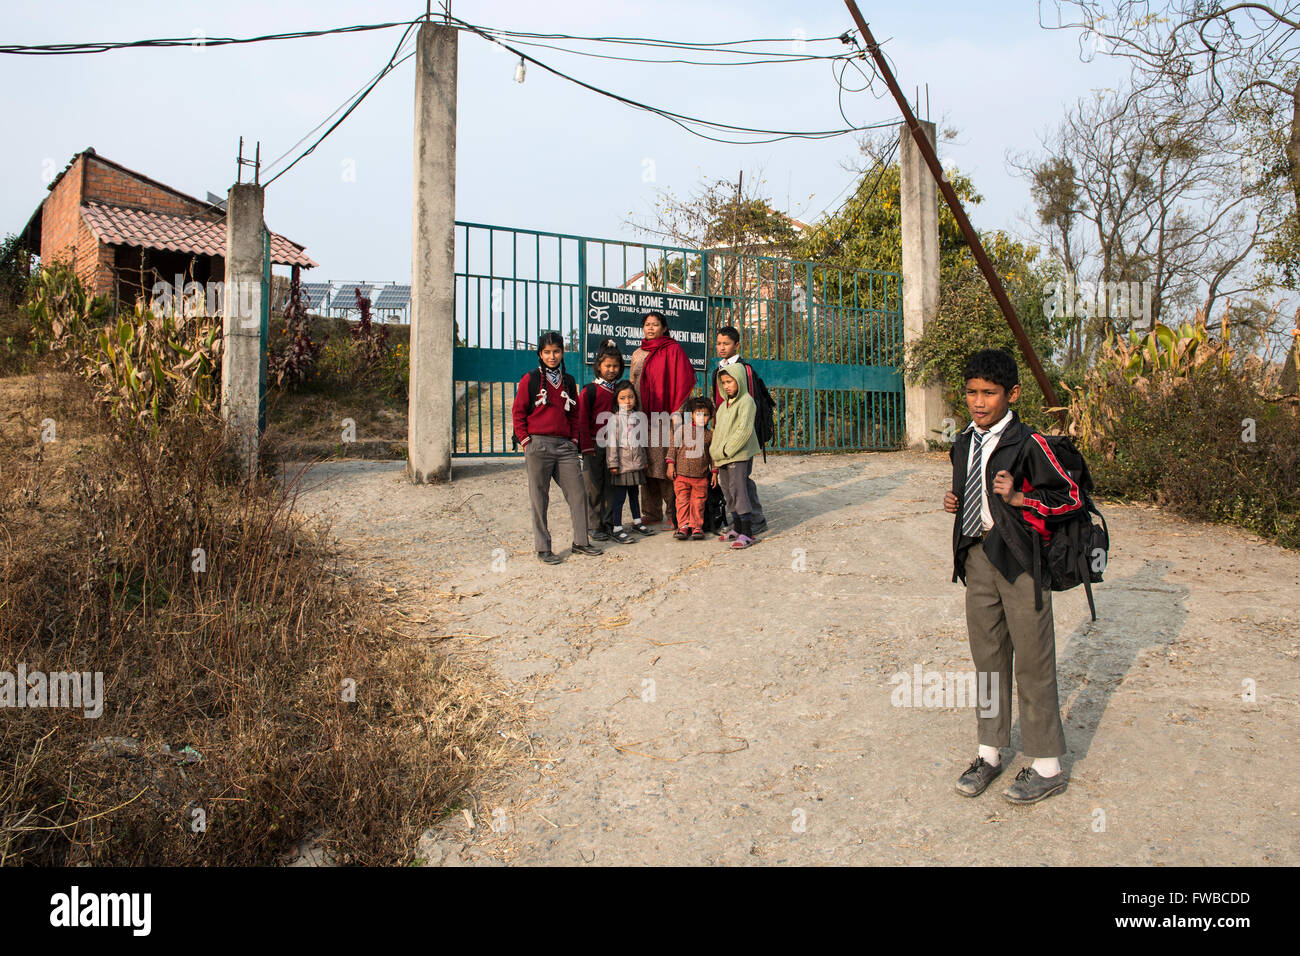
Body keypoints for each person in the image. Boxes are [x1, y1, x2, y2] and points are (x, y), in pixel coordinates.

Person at [943, 348, 1083, 804]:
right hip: (978, 558)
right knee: (988, 658)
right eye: (971, 392)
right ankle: (990, 752)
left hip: (1022, 562)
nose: (978, 402)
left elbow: (1071, 497)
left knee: (1033, 661)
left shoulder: (1031, 443)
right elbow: (973, 492)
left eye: (989, 393)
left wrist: (1022, 500)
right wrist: (957, 503)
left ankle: (1047, 765)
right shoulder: (964, 441)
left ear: (1013, 394)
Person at [510, 332, 604, 565]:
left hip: (565, 447)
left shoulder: (569, 381)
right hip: (538, 444)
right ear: (540, 354)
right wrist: (525, 441)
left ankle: (581, 542)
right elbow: (518, 412)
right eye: (547, 352)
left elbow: (573, 414)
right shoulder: (530, 380)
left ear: (562, 352)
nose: (552, 356)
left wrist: (573, 440)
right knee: (539, 498)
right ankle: (543, 548)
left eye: (556, 351)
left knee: (578, 493)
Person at [629, 311, 696, 530]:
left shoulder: (673, 350)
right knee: (646, 465)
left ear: (664, 328)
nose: (650, 328)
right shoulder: (638, 354)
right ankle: (651, 512)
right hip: (642, 417)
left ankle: (674, 512)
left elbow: (684, 381)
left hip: (666, 418)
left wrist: (678, 411)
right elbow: (632, 383)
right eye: (647, 324)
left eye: (655, 324)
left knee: (666, 465)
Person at [711, 326, 766, 533]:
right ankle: (739, 522)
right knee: (731, 483)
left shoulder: (744, 370)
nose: (721, 347)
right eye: (718, 344)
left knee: (742, 480)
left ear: (737, 345)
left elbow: (749, 403)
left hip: (740, 435)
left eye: (726, 344)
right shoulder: (718, 370)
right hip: (724, 432)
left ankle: (755, 519)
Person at [710, 364, 761, 549]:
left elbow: (744, 430)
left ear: (739, 380)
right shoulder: (723, 406)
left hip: (737, 455)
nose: (726, 386)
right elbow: (717, 432)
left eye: (730, 381)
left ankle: (748, 533)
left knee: (739, 490)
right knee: (728, 491)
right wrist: (715, 452)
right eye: (723, 382)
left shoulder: (747, 401)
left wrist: (726, 450)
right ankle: (737, 528)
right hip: (722, 456)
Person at [578, 338, 623, 541]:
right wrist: (586, 447)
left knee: (611, 486)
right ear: (599, 366)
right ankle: (594, 525)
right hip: (594, 445)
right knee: (593, 487)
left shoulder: (621, 392)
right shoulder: (590, 390)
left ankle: (609, 523)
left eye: (615, 366)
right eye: (608, 366)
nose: (612, 370)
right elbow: (581, 420)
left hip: (615, 446)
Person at [604, 380, 655, 544]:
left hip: (636, 465)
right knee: (619, 498)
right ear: (616, 400)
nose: (627, 401)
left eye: (630, 397)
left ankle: (637, 521)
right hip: (621, 466)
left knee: (634, 495)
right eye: (623, 398)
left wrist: (644, 460)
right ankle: (617, 527)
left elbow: (641, 442)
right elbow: (612, 443)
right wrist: (613, 463)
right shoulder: (615, 420)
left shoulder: (638, 418)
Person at [667, 396, 716, 541]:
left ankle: (696, 527)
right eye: (698, 414)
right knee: (682, 501)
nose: (702, 418)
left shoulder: (710, 436)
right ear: (692, 414)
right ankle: (683, 526)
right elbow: (672, 449)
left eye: (706, 415)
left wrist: (714, 473)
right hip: (681, 475)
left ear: (710, 416)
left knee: (698, 502)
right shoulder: (682, 430)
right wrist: (670, 465)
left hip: (700, 477)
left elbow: (714, 456)